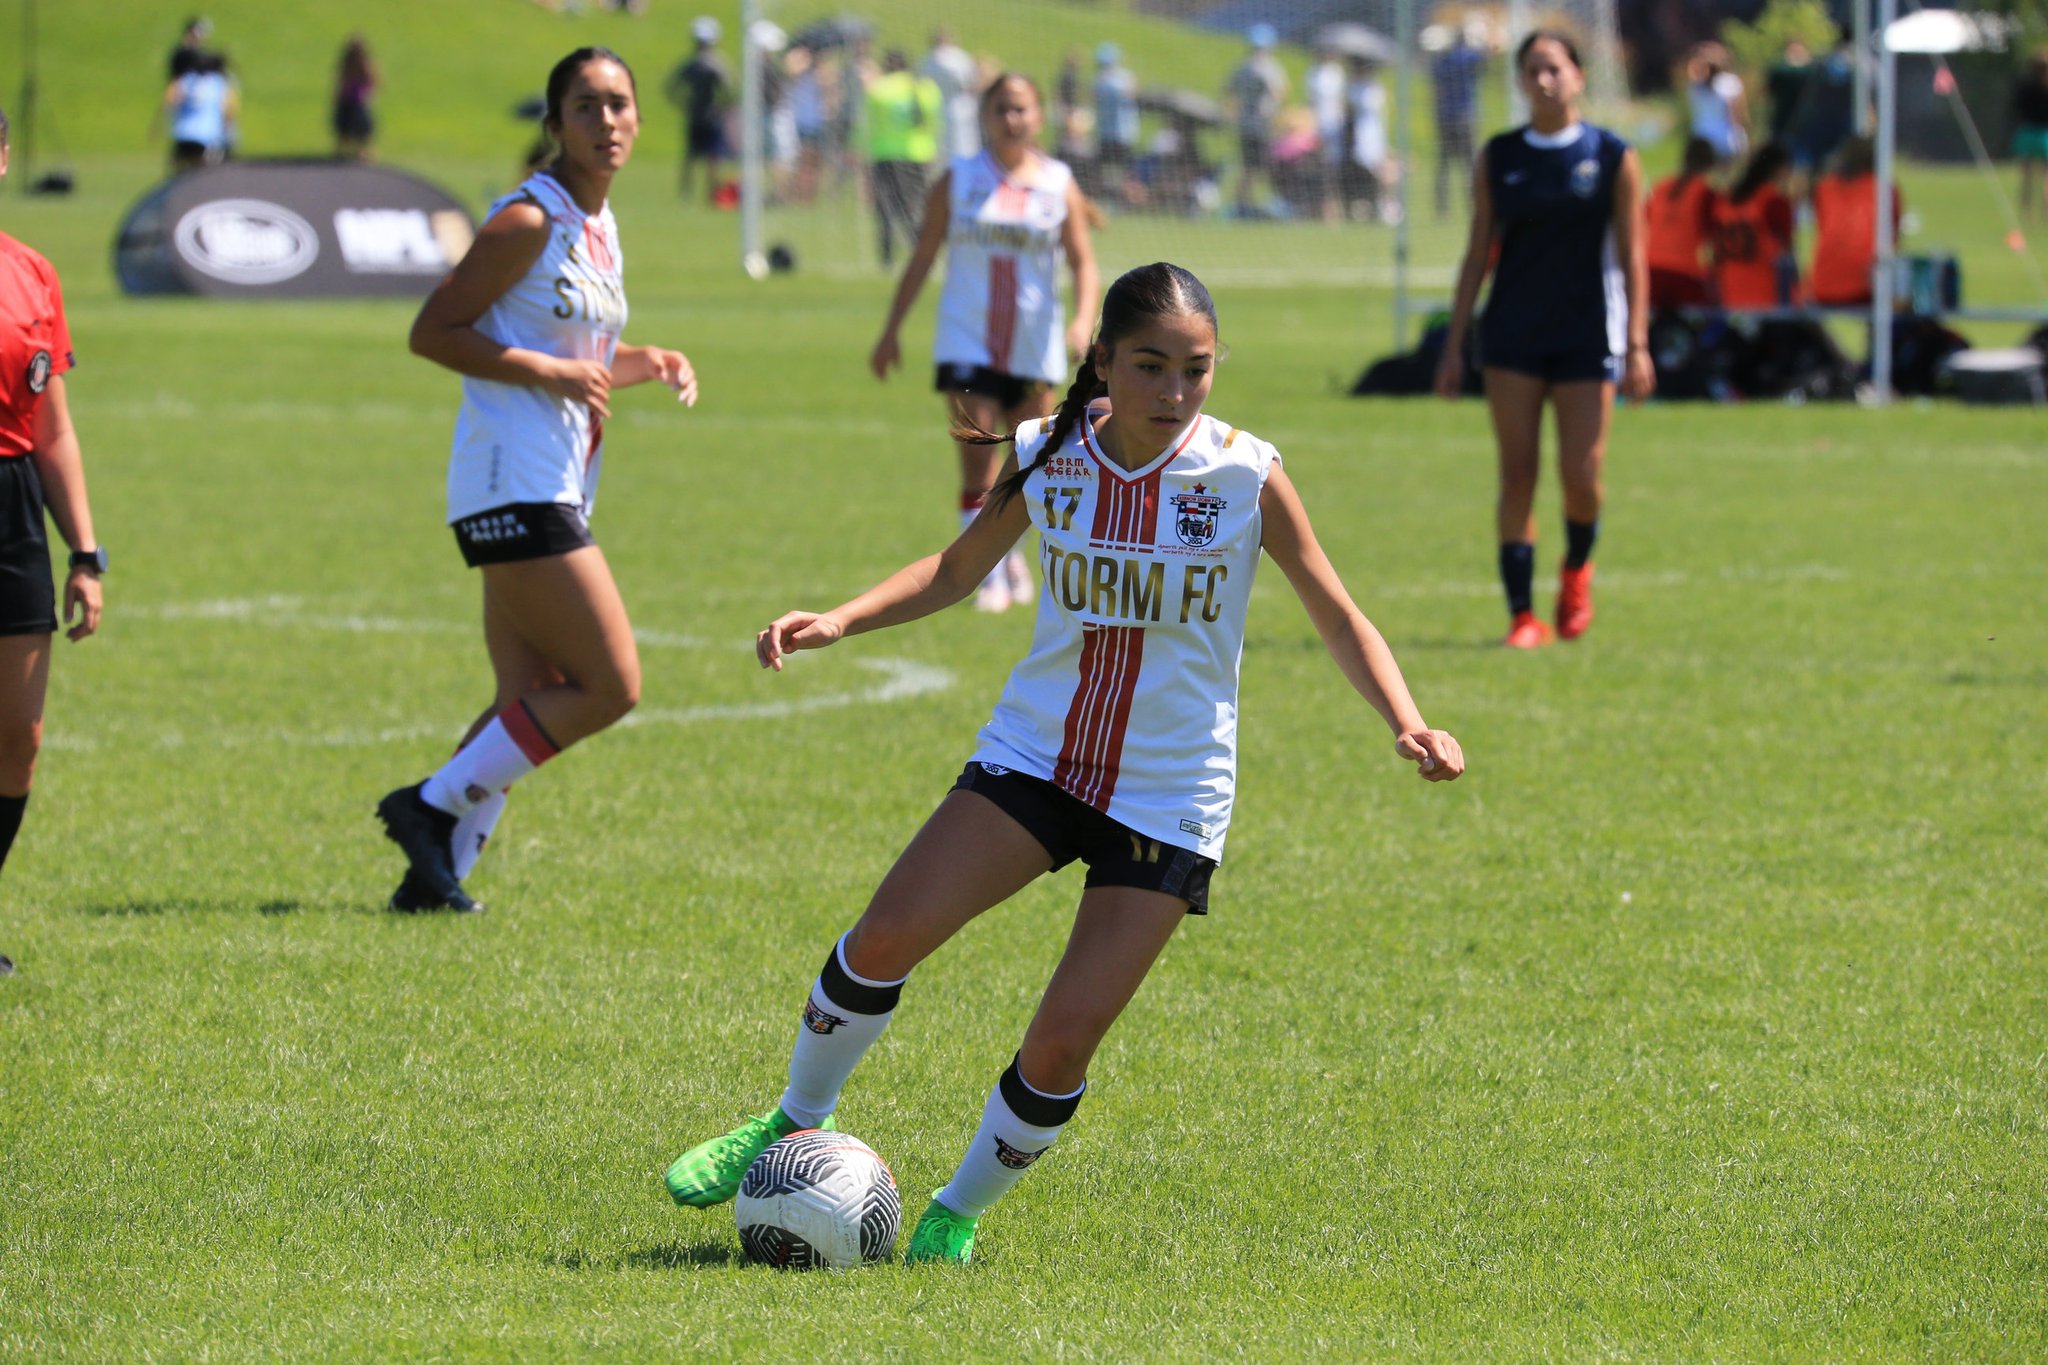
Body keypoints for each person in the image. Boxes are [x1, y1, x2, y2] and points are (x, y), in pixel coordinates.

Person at [663, 261, 1466, 1264]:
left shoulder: (1244, 474)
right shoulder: (1048, 450)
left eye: (1196, 369)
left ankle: (953, 1215)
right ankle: (790, 1119)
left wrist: (1407, 719)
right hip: (1038, 758)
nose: (1174, 390)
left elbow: (1337, 612)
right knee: (885, 934)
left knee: (1061, 1040)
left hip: (1169, 795)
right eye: (1150, 365)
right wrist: (839, 618)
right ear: (1103, 360)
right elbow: (956, 569)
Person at [375, 48, 698, 914]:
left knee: (523, 698)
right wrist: (551, 373)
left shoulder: (600, 222)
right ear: (554, 124)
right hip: (511, 480)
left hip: (552, 478)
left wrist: (645, 360)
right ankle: (428, 805)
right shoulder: (527, 218)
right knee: (611, 685)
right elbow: (433, 330)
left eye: (619, 104)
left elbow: (572, 355)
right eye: (585, 106)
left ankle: (432, 881)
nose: (606, 121)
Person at [1434, 31, 1654, 649]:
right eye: (1532, 70)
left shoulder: (1612, 155)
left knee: (1582, 476)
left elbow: (1634, 256)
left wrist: (1637, 341)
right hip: (1513, 336)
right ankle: (1522, 616)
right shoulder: (1500, 155)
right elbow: (1478, 252)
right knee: (1517, 475)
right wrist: (1454, 344)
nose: (1544, 80)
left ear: (1579, 76)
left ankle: (1577, 570)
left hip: (1587, 335)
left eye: (1554, 68)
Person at [869, 74, 1099, 614]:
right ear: (984, 116)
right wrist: (891, 329)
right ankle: (987, 577)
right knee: (977, 462)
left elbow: (1083, 261)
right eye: (1001, 108)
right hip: (966, 340)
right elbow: (923, 256)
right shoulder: (959, 179)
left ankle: (1008, 558)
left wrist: (1081, 321)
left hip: (1033, 344)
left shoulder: (1057, 183)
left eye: (1021, 108)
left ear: (1038, 116)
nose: (1011, 119)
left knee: (1029, 462)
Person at [0, 106, 108, 977]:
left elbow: (53, 429)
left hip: (12, 509)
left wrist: (85, 552)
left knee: (18, 737)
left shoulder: (33, 274)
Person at [864, 50, 942, 268]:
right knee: (915, 208)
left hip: (886, 154)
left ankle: (887, 257)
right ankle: (922, 253)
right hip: (919, 154)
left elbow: (869, 123)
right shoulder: (925, 88)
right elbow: (933, 121)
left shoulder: (879, 88)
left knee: (886, 208)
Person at [1809, 136, 1900, 307]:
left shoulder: (1824, 188)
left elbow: (1823, 228)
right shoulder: (1884, 189)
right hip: (1865, 286)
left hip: (1821, 284)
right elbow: (1892, 239)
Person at [1711, 141, 1797, 311]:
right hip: (1763, 295)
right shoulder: (1773, 200)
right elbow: (1787, 254)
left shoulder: (1724, 199)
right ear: (1779, 169)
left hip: (1725, 293)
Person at [1645, 136, 1720, 309]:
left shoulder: (1660, 187)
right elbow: (1716, 239)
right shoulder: (1705, 192)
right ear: (1710, 164)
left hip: (1652, 271)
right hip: (1686, 274)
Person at [664, 17, 734, 201]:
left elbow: (671, 88)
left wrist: (684, 103)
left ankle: (689, 193)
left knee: (695, 156)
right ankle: (708, 192)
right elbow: (728, 91)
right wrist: (722, 107)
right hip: (709, 115)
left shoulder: (692, 64)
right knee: (710, 157)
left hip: (697, 114)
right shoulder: (717, 64)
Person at [1225, 23, 1288, 215]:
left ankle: (1242, 203)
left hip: (1246, 124)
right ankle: (1265, 203)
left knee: (1250, 166)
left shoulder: (1243, 67)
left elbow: (1229, 91)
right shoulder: (1265, 67)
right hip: (1261, 125)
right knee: (1262, 166)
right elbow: (1278, 92)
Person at [1432, 25, 1487, 219]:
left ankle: (1442, 207)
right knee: (1470, 164)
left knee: (1444, 164)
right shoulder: (1466, 57)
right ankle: (1473, 203)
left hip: (1445, 117)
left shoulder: (1442, 60)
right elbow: (1484, 59)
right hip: (1465, 116)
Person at [158, 49, 236, 172]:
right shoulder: (219, 82)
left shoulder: (185, 79)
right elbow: (228, 111)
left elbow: (171, 101)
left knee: (180, 175)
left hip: (183, 134)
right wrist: (227, 134)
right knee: (200, 176)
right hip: (207, 136)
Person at [921, 27, 981, 163]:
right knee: (964, 147)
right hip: (960, 107)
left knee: (944, 149)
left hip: (938, 108)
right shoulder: (959, 58)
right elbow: (970, 83)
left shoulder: (927, 60)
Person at [1686, 43, 1749, 165]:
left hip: (1702, 136)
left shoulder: (1695, 86)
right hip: (1725, 137)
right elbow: (1739, 114)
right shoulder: (1731, 83)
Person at [1092, 43, 1140, 201]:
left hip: (1113, 134)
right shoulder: (1124, 79)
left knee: (1108, 170)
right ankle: (1122, 198)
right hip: (1119, 134)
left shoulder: (1101, 81)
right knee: (1124, 171)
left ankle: (1113, 197)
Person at [2013, 53, 2048, 224]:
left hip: (2027, 132)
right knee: (2045, 177)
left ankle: (2027, 215)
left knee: (2026, 176)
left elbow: (2016, 107)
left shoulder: (2025, 87)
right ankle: (2046, 213)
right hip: (2044, 134)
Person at [333, 35, 377, 162]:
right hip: (347, 100)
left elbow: (372, 81)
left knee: (361, 127)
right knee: (344, 126)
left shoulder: (366, 64)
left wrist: (367, 94)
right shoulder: (346, 64)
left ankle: (362, 151)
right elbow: (340, 81)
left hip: (358, 101)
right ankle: (342, 151)